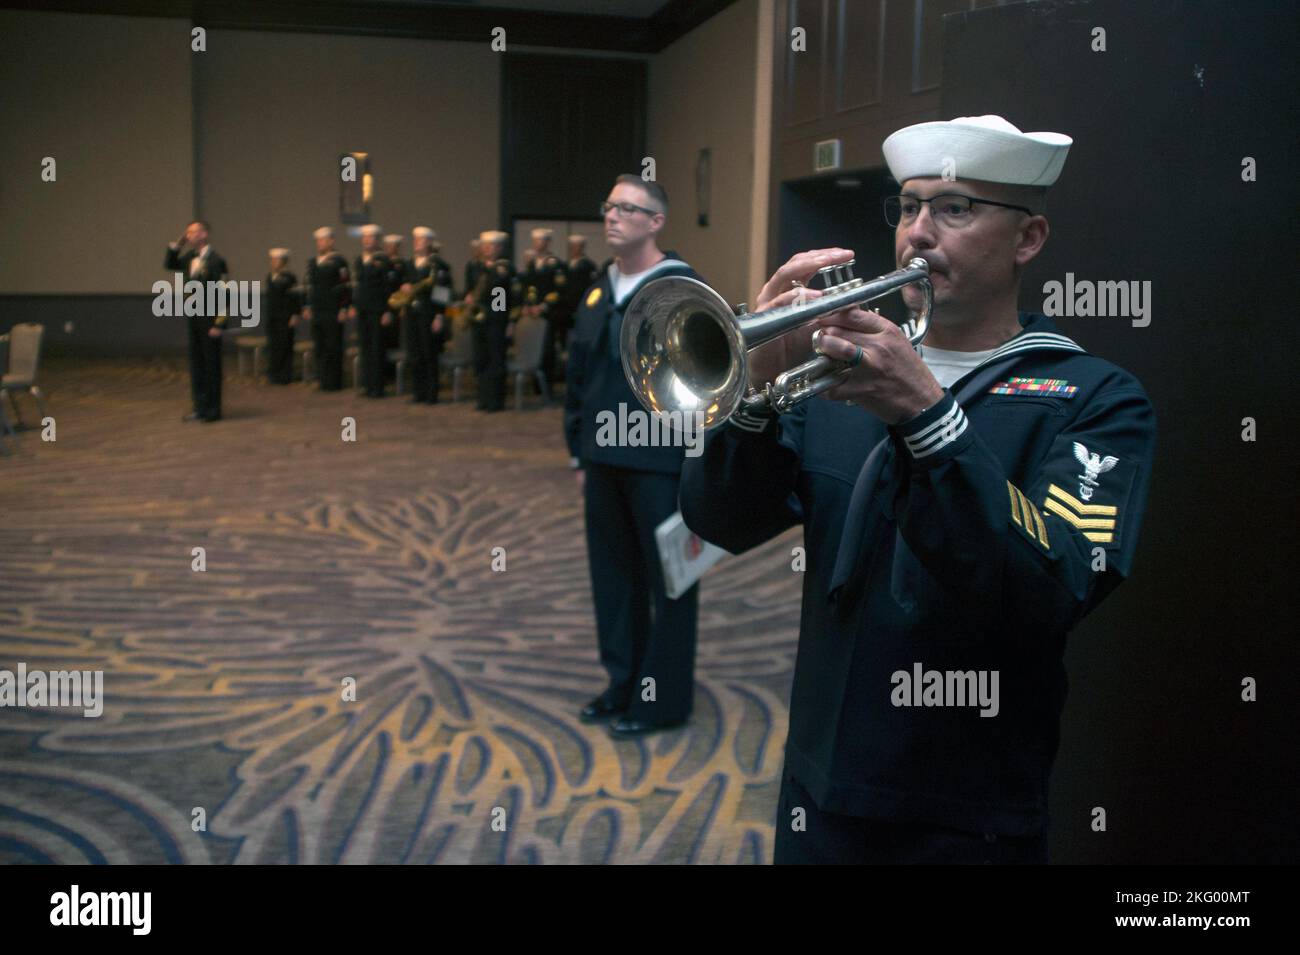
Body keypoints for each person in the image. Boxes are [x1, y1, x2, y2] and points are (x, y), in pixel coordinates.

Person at [678, 115, 1156, 863]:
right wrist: (752, 397)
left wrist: (928, 416)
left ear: (1027, 239)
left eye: (955, 207)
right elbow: (719, 521)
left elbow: (1057, 585)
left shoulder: (1092, 396)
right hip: (821, 781)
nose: (918, 233)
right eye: (907, 206)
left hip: (967, 810)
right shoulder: (844, 374)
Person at [564, 175, 704, 738]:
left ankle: (663, 699)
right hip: (602, 459)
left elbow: (702, 384)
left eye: (627, 208)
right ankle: (622, 681)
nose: (613, 216)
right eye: (609, 205)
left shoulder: (682, 289)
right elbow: (578, 377)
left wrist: (695, 464)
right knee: (613, 578)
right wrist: (579, 452)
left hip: (661, 463)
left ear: (655, 222)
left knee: (671, 581)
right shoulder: (599, 290)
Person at [163, 220, 229, 422]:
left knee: (211, 365)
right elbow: (169, 264)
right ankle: (200, 407)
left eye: (193, 232)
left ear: (204, 234)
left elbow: (226, 295)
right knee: (197, 364)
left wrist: (220, 323)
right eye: (188, 233)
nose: (189, 235)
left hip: (210, 319)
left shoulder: (217, 260)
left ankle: (213, 410)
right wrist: (179, 243)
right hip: (194, 317)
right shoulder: (189, 257)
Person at [402, 226, 454, 403]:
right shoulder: (409, 263)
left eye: (421, 240)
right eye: (415, 240)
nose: (417, 243)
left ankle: (431, 394)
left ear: (429, 242)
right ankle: (418, 392)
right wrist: (405, 289)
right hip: (412, 313)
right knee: (415, 354)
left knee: (429, 355)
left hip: (429, 314)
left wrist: (439, 316)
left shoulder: (438, 265)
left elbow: (442, 292)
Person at [468, 230, 518, 412]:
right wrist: (470, 298)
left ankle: (496, 401)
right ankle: (482, 398)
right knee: (481, 359)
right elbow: (470, 289)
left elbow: (506, 298)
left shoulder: (504, 269)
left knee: (496, 362)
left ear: (499, 248)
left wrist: (507, 321)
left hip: (496, 321)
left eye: (492, 246)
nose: (488, 249)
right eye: (485, 245)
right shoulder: (475, 267)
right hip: (478, 321)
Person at [303, 227, 351, 391]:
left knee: (333, 346)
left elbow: (345, 285)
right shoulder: (312, 262)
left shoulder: (339, 261)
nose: (320, 243)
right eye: (318, 240)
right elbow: (309, 286)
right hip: (317, 309)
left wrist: (344, 308)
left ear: (331, 241)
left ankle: (334, 382)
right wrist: (307, 305)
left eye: (323, 240)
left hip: (333, 309)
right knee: (320, 345)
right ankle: (322, 380)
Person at [520, 227, 567, 390]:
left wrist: (543, 306)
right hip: (532, 313)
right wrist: (527, 305)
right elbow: (527, 287)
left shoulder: (556, 264)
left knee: (547, 349)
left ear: (548, 242)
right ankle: (535, 385)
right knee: (534, 348)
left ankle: (547, 386)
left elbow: (559, 291)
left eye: (542, 240)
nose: (538, 244)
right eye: (535, 241)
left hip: (549, 313)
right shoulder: (532, 264)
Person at [351, 224, 393, 398]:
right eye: (364, 237)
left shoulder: (383, 260)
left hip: (378, 310)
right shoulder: (359, 260)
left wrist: (387, 311)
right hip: (363, 310)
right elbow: (357, 285)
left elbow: (388, 287)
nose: (367, 240)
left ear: (377, 240)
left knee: (377, 349)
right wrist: (354, 305)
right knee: (365, 348)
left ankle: (377, 387)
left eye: (370, 237)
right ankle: (367, 385)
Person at [264, 248, 299, 385]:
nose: (274, 263)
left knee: (285, 345)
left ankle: (285, 375)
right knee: (273, 345)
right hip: (273, 316)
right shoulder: (270, 277)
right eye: (272, 260)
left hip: (286, 316)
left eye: (277, 260)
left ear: (284, 262)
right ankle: (274, 373)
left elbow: (295, 298)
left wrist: (295, 314)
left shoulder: (290, 278)